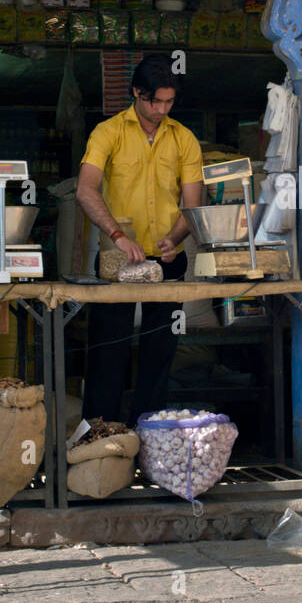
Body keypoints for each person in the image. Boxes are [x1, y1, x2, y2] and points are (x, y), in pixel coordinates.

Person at [76, 54, 204, 423]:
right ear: (136, 92)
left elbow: (192, 204)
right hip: (118, 259)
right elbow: (86, 190)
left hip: (168, 259)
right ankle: (101, 436)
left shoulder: (184, 139)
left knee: (159, 353)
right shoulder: (108, 132)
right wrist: (117, 235)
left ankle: (150, 435)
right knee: (107, 353)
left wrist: (176, 237)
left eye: (169, 102)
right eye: (155, 101)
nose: (162, 109)